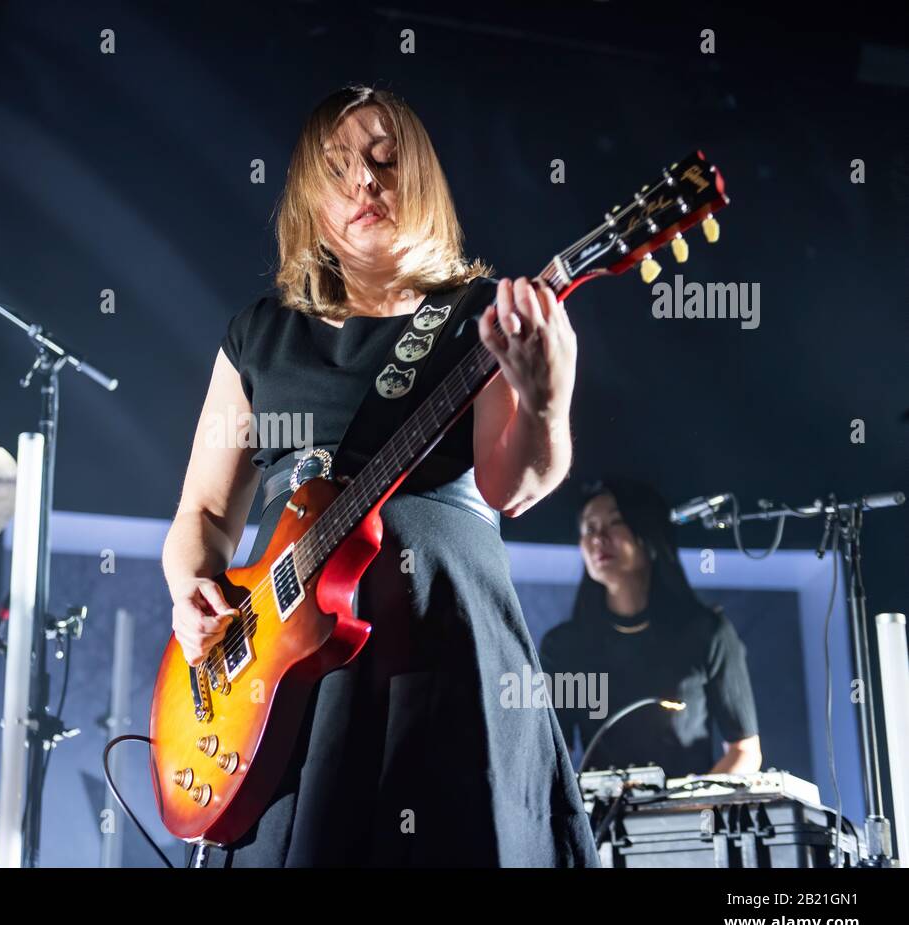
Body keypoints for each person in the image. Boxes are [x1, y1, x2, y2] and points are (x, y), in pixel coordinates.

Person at [161, 84, 596, 866]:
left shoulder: (480, 315)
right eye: (337, 169)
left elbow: (514, 486)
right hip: (287, 674)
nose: (363, 179)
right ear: (310, 204)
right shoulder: (260, 334)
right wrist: (189, 583)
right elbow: (203, 511)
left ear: (420, 178)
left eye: (384, 159)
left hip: (440, 643)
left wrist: (546, 396)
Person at [538, 479, 762, 778]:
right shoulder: (564, 646)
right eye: (589, 529)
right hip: (600, 821)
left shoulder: (708, 632)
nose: (599, 538)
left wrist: (691, 808)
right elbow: (554, 754)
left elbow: (745, 751)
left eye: (615, 522)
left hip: (690, 815)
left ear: (648, 534)